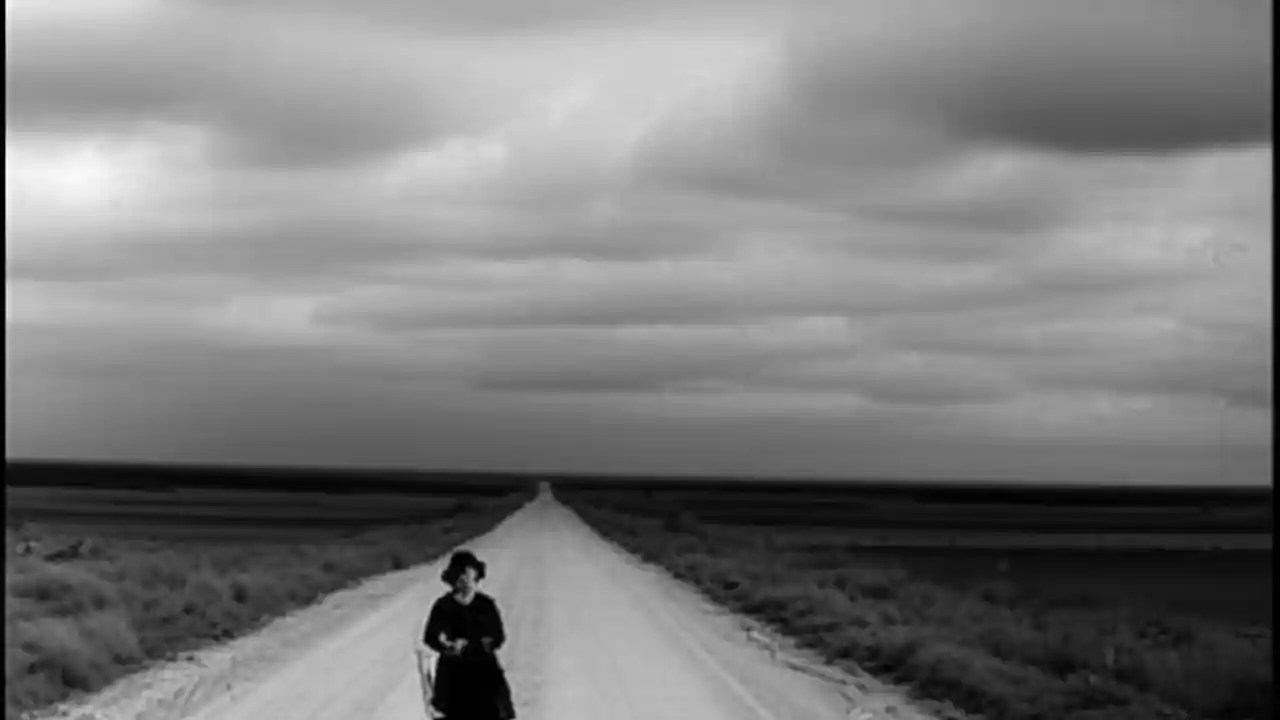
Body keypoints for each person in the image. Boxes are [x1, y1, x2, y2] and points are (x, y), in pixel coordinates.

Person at [420, 550, 515, 720]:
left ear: (477, 576)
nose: (465, 580)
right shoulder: (443, 606)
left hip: (484, 672)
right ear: (453, 579)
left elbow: (499, 636)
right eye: (460, 575)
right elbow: (430, 637)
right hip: (453, 675)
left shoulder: (486, 605)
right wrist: (447, 646)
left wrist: (484, 644)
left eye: (469, 574)